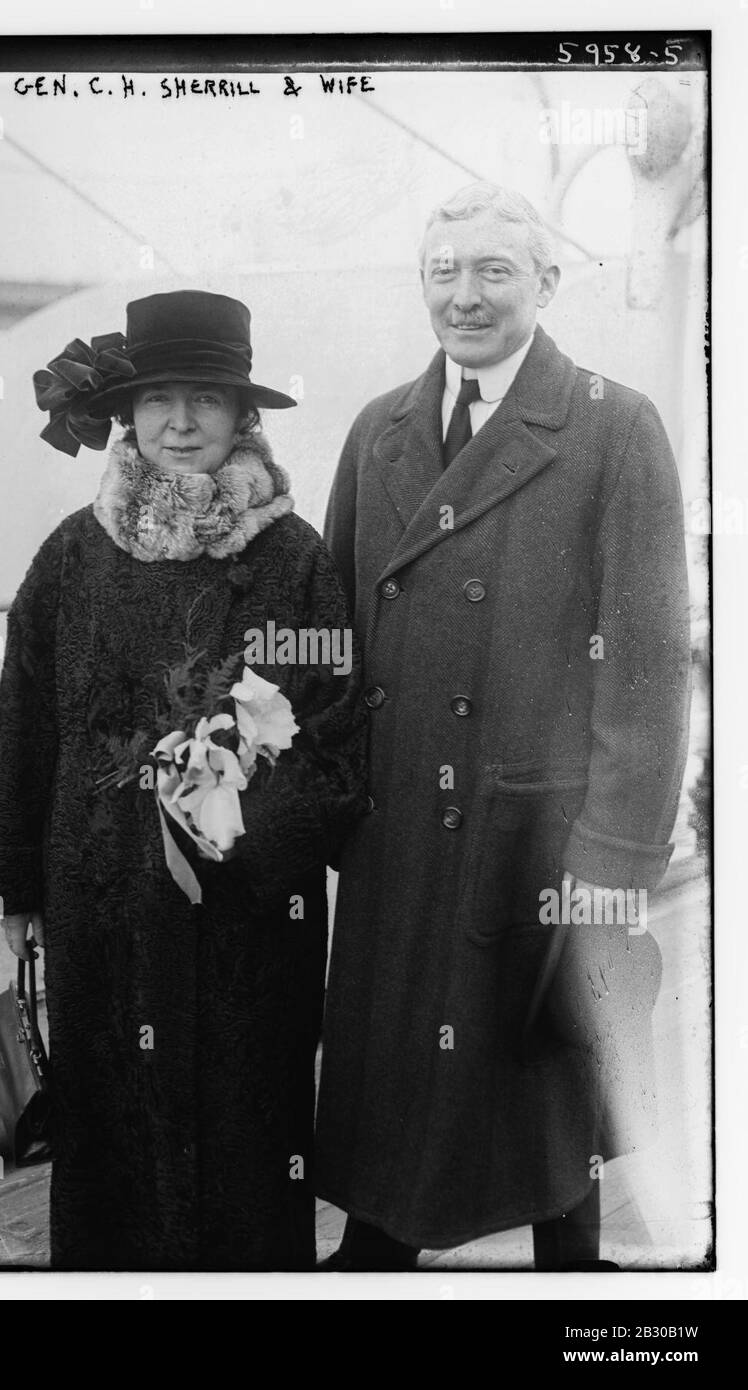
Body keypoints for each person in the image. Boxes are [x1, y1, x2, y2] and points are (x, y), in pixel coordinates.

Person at [314, 183, 691, 1271]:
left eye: (493, 271)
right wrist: (337, 805)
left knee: (544, 1053)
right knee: (398, 1042)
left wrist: (618, 852)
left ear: (546, 283)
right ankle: (377, 1234)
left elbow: (650, 661)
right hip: (397, 820)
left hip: (540, 822)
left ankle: (570, 1261)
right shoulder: (376, 428)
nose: (465, 296)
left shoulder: (614, 426)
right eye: (444, 271)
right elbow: (334, 640)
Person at [0, 290, 366, 1271]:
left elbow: (333, 737)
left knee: (246, 1137)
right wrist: (14, 883)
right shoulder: (71, 557)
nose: (181, 423)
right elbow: (27, 721)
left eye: (207, 399)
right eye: (158, 400)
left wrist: (232, 829)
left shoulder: (289, 561)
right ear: (126, 416)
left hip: (246, 930)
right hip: (100, 915)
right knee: (109, 1143)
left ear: (243, 414)